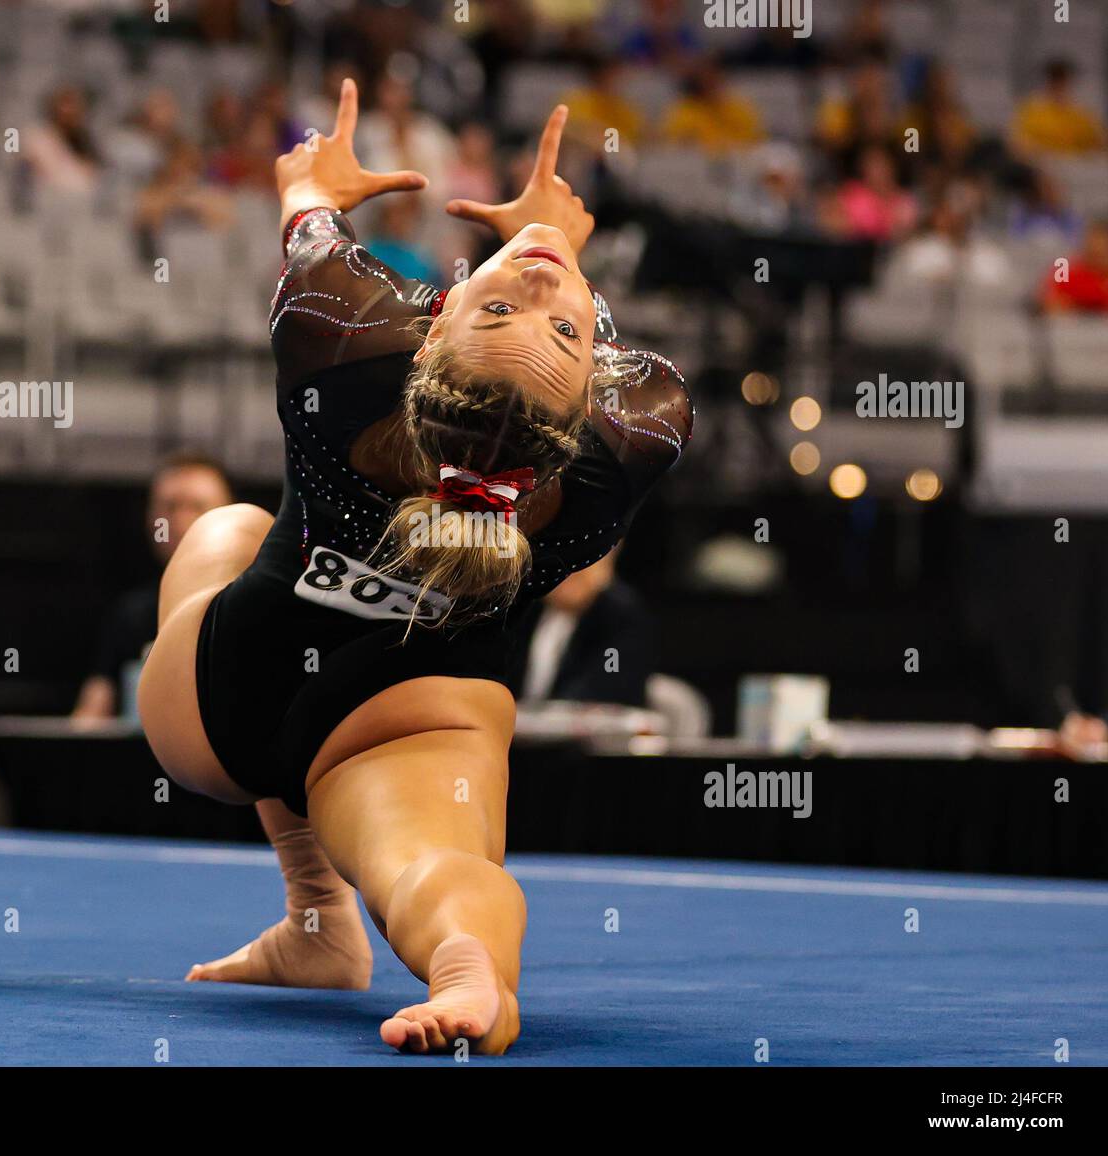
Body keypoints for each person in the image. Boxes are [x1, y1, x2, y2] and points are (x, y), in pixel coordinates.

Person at [137, 83, 692, 1055]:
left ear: (432, 328)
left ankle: (319, 917)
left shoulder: (344, 339)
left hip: (211, 704)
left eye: (535, 310)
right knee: (426, 858)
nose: (543, 288)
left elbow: (308, 216)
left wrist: (314, 182)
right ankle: (462, 963)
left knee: (223, 528)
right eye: (556, 317)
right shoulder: (626, 442)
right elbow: (625, 379)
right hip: (411, 719)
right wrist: (564, 263)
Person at [73, 453, 233, 722]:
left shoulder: (256, 608)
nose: (182, 521)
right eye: (169, 507)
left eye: (197, 506)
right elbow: (90, 716)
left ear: (229, 515)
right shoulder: (130, 615)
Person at [508, 546, 658, 707]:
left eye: (579, 569)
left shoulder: (622, 617)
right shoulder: (525, 611)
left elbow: (609, 683)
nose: (567, 576)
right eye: (557, 568)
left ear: (607, 564)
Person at [1011, 59, 1107, 156]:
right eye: (1055, 80)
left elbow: (1097, 141)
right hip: (1043, 164)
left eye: (1062, 80)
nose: (1058, 85)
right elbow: (1019, 143)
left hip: (1076, 164)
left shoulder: (1080, 112)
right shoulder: (1032, 110)